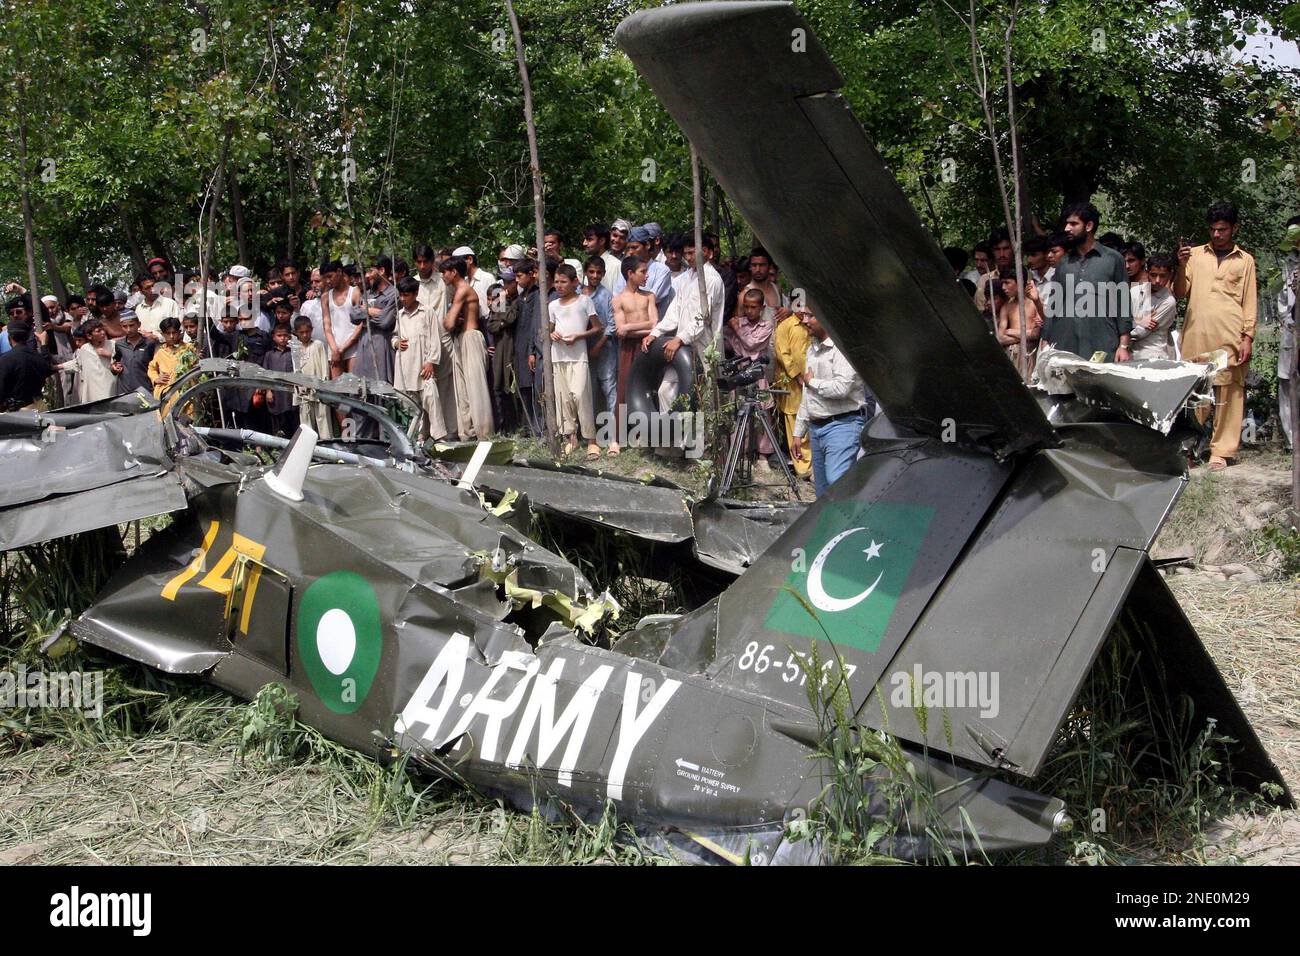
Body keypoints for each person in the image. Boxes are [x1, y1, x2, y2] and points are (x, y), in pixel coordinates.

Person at [1175, 202, 1258, 470]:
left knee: (1228, 392)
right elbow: (1179, 293)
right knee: (1194, 393)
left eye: (1222, 229)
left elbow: (1249, 302)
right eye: (1212, 229)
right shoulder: (1195, 255)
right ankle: (1189, 448)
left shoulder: (1245, 260)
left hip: (1230, 335)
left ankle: (1221, 451)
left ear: (1234, 228)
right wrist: (1180, 264)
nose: (1217, 234)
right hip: (1196, 334)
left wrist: (1248, 337)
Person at [642, 237, 725, 413]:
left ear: (708, 253)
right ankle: (673, 438)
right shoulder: (685, 278)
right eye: (686, 253)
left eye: (693, 252)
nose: (689, 257)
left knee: (705, 398)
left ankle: (704, 440)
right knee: (666, 391)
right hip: (681, 346)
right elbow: (674, 311)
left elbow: (702, 317)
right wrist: (655, 333)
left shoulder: (712, 279)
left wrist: (680, 339)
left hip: (705, 346)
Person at [791, 309, 868, 496]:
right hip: (817, 427)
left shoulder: (843, 349)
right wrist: (798, 432)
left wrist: (811, 382)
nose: (805, 321)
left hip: (843, 424)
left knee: (837, 483)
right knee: (823, 492)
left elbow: (842, 388)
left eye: (811, 316)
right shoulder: (812, 348)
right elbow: (807, 394)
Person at [1040, 201, 1131, 361]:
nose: (1067, 228)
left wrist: (1123, 346)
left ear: (1088, 226)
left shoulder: (1112, 259)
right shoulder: (1063, 263)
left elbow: (1123, 304)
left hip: (1101, 344)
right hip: (1064, 345)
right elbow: (1054, 305)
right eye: (1067, 223)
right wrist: (1045, 342)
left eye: (1073, 224)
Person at [548, 264, 602, 459]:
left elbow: (598, 327)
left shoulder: (584, 301)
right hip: (558, 356)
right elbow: (548, 329)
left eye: (563, 282)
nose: (559, 286)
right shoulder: (552, 305)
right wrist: (551, 333)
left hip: (578, 356)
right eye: (556, 282)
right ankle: (570, 438)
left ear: (574, 282)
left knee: (580, 395)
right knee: (563, 399)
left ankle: (592, 440)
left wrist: (579, 336)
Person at [443, 255, 493, 440]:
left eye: (444, 272)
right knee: (462, 389)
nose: (443, 277)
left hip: (471, 337)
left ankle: (484, 433)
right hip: (462, 338)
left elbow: (448, 323)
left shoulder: (462, 289)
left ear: (454, 272)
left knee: (475, 386)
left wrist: (448, 318)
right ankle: (469, 432)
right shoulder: (459, 289)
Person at [393, 276, 446, 442]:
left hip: (423, 363)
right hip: (405, 364)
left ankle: (439, 436)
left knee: (431, 397)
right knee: (412, 403)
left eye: (406, 295)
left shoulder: (427, 312)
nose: (403, 299)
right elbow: (394, 336)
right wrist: (396, 343)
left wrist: (431, 361)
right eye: (401, 295)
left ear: (415, 294)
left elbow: (435, 339)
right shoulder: (400, 315)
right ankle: (420, 436)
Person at [612, 255, 657, 434]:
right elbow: (619, 330)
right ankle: (618, 435)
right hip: (628, 348)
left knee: (650, 386)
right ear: (630, 273)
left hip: (648, 345)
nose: (646, 276)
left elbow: (655, 324)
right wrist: (635, 329)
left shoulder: (649, 296)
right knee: (624, 387)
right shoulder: (618, 299)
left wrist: (629, 327)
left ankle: (650, 433)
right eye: (643, 272)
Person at [773, 306, 813, 479]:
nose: (804, 314)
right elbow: (782, 354)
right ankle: (803, 469)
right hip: (792, 384)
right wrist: (797, 375)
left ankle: (813, 466)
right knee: (795, 422)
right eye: (801, 309)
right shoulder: (785, 326)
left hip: (813, 383)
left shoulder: (812, 325)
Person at [583, 256, 618, 442]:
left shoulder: (607, 295)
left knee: (609, 388)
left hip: (605, 348)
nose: (595, 276)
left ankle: (612, 435)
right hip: (583, 349)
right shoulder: (580, 294)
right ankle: (591, 433)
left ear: (604, 274)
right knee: (589, 390)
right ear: (585, 273)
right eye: (591, 272)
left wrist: (598, 345)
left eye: (599, 272)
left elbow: (612, 326)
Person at [349, 257, 397, 385]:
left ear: (381, 271)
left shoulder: (394, 294)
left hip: (382, 345)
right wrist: (372, 311)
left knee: (381, 388)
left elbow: (385, 321)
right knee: (361, 388)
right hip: (364, 345)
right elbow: (353, 315)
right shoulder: (367, 293)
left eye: (370, 271)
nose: (367, 276)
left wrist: (365, 312)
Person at [290, 316, 335, 438]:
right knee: (305, 421)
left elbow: (324, 367)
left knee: (323, 419)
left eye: (307, 331)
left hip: (318, 389)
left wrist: (323, 385)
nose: (305, 335)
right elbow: (296, 369)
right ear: (296, 333)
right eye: (301, 332)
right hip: (303, 390)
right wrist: (299, 384)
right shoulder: (295, 348)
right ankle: (308, 449)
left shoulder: (318, 344)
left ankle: (327, 448)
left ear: (312, 330)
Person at [1277, 215, 1300, 451]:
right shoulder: (1285, 266)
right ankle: (1293, 439)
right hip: (1291, 332)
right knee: (1288, 382)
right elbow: (1282, 302)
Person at [1129, 253, 1178, 360]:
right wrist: (1138, 322)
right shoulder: (1134, 292)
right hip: (1130, 353)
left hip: (1153, 354)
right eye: (1154, 275)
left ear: (1170, 275)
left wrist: (1128, 328)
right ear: (1147, 273)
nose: (1157, 280)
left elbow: (1141, 332)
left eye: (1163, 276)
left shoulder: (1168, 302)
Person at [60, 319, 116, 404]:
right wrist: (56, 367)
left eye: (103, 329)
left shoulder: (113, 345)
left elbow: (121, 361)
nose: (103, 333)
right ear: (89, 336)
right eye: (98, 331)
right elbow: (77, 363)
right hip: (92, 390)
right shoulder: (85, 349)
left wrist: (109, 355)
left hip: (109, 387)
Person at [320, 260, 360, 379]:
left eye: (330, 276)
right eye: (325, 278)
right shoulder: (325, 297)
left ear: (339, 271)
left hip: (354, 347)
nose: (328, 281)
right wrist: (335, 349)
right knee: (337, 390)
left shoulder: (355, 292)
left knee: (355, 388)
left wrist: (343, 348)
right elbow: (327, 326)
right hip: (334, 347)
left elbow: (360, 324)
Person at [995, 268, 1043, 366]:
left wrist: (1011, 331)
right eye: (1002, 283)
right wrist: (1026, 335)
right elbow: (1000, 338)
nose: (1003, 287)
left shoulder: (1035, 303)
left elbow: (1036, 334)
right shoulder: (1006, 307)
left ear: (1020, 282)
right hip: (1012, 355)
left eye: (1007, 283)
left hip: (1030, 355)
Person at [0, 322, 54, 411]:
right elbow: (48, 368)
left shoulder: (5, 359)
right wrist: (44, 344)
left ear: (10, 339)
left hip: (18, 413)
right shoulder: (37, 356)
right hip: (40, 408)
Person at [260, 323, 297, 437]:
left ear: (289, 337)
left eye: (285, 335)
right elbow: (266, 374)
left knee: (292, 418)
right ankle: (278, 444)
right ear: (274, 337)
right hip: (275, 392)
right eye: (279, 335)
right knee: (276, 419)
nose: (282, 338)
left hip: (290, 392)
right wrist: (268, 391)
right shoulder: (269, 355)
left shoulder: (293, 353)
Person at [147, 317, 195, 398]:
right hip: (166, 393)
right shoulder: (160, 352)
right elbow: (151, 368)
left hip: (186, 392)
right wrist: (156, 378)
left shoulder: (189, 348)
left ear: (179, 332)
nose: (171, 336)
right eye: (168, 333)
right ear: (162, 334)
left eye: (174, 333)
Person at [111, 314, 156, 396]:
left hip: (145, 389)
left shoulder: (149, 343)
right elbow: (115, 363)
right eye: (125, 326)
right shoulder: (119, 344)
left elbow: (155, 366)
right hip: (124, 390)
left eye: (131, 325)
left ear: (139, 324)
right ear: (121, 327)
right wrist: (114, 368)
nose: (129, 330)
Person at [133, 273, 179, 338]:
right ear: (141, 291)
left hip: (167, 346)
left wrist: (157, 337)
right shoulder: (138, 309)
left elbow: (179, 330)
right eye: (148, 288)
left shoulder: (170, 304)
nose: (153, 290)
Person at [583, 223, 621, 293]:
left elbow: (616, 296)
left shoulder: (615, 265)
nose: (584, 243)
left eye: (589, 239)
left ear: (602, 241)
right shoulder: (588, 263)